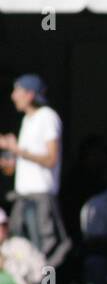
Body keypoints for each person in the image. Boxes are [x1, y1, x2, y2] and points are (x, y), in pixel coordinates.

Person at [0, 75, 71, 270]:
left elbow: (51, 158)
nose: (13, 96)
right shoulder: (27, 120)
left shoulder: (47, 117)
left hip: (40, 199)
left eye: (18, 91)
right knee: (22, 251)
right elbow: (22, 160)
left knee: (46, 254)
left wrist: (17, 150)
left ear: (30, 94)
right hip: (23, 198)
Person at [0, 207, 48, 284]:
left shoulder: (20, 245)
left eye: (1, 226)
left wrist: (6, 263)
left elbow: (40, 276)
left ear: (6, 226)